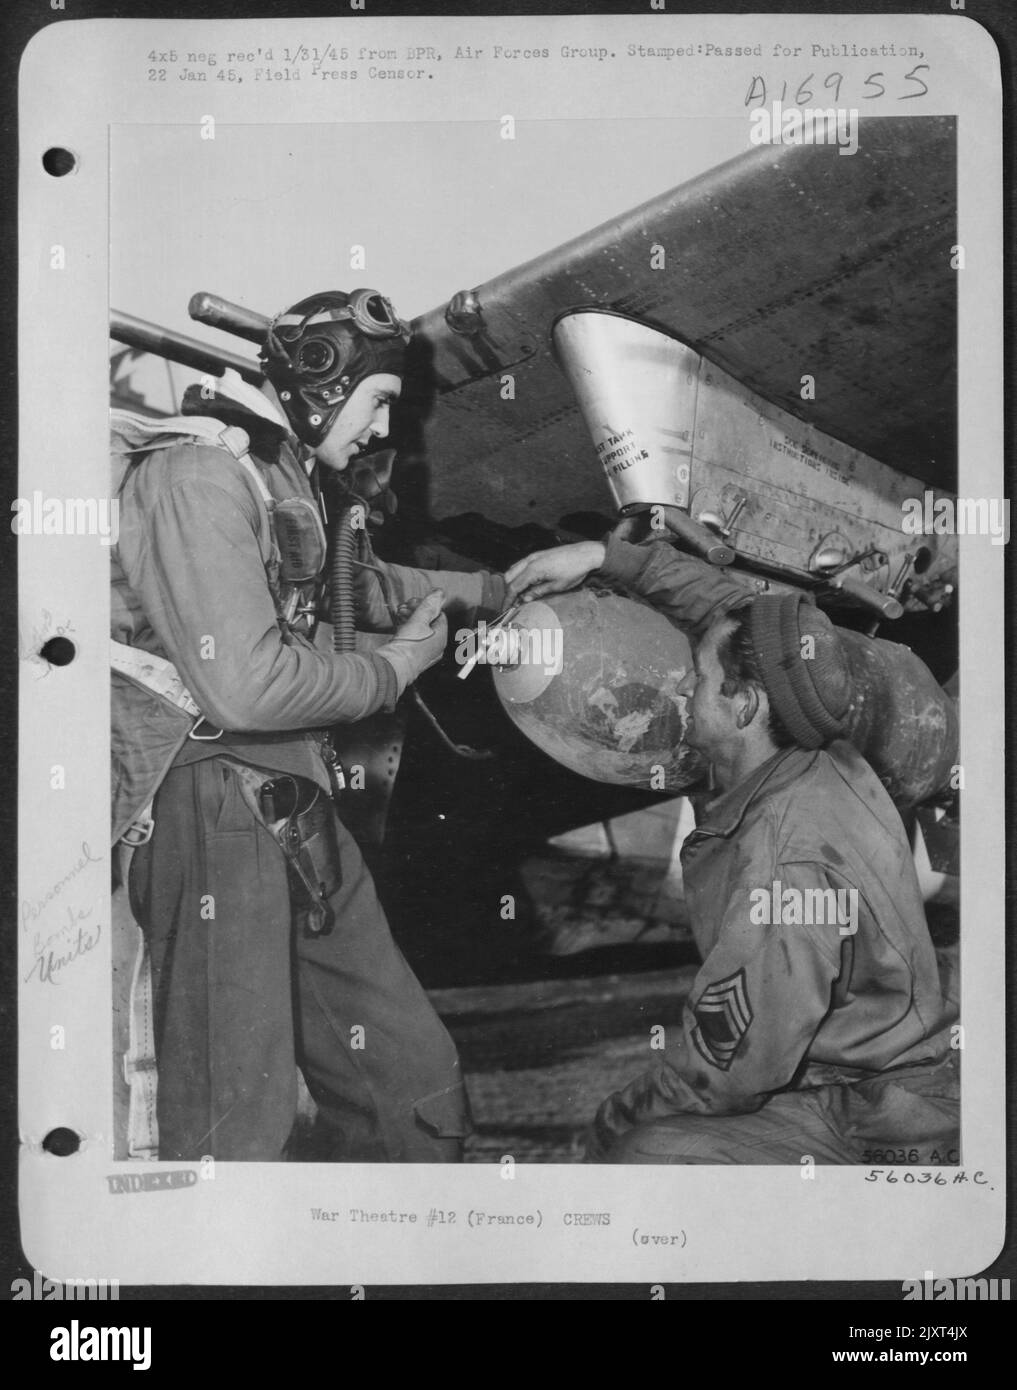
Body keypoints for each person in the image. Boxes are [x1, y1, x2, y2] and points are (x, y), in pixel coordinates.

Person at [112, 288, 508, 1163]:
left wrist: (498, 592)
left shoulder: (277, 476)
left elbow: (353, 589)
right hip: (210, 808)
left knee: (411, 1084)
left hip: (293, 806)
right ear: (322, 383)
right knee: (234, 1116)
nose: (382, 433)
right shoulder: (195, 478)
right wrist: (395, 669)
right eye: (377, 404)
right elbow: (245, 689)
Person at [505, 534, 959, 1164]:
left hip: (875, 1119)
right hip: (861, 1075)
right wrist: (609, 557)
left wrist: (611, 1122)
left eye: (700, 678)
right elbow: (755, 621)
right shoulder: (820, 733)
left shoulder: (782, 861)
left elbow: (730, 1066)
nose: (686, 690)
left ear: (744, 705)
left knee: (642, 1156)